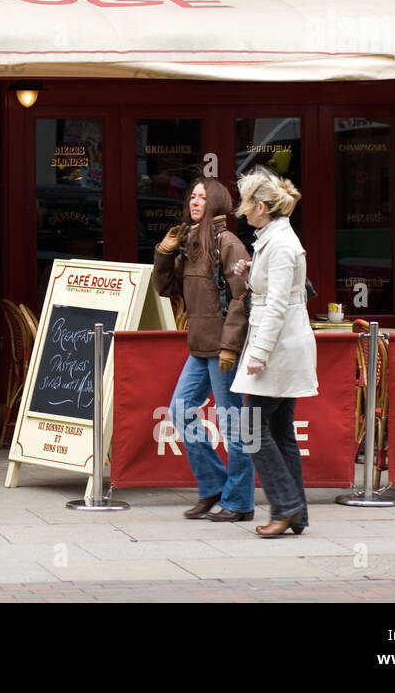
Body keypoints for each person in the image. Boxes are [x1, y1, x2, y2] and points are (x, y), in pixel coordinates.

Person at [153, 177, 254, 522]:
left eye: (202, 197)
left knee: (233, 425)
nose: (194, 202)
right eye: (192, 197)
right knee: (179, 411)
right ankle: (213, 486)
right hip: (200, 346)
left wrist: (230, 346)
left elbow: (243, 297)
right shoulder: (192, 242)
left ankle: (239, 502)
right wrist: (164, 253)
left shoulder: (227, 243)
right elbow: (168, 288)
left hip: (223, 348)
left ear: (217, 203)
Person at [230, 167, 318, 537]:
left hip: (277, 349)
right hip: (280, 348)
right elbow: (279, 291)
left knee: (251, 428)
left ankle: (286, 507)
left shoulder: (280, 244)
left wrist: (259, 353)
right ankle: (295, 513)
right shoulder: (275, 239)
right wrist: (251, 270)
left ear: (262, 207)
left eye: (248, 204)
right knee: (280, 430)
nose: (242, 210)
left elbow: (279, 304)